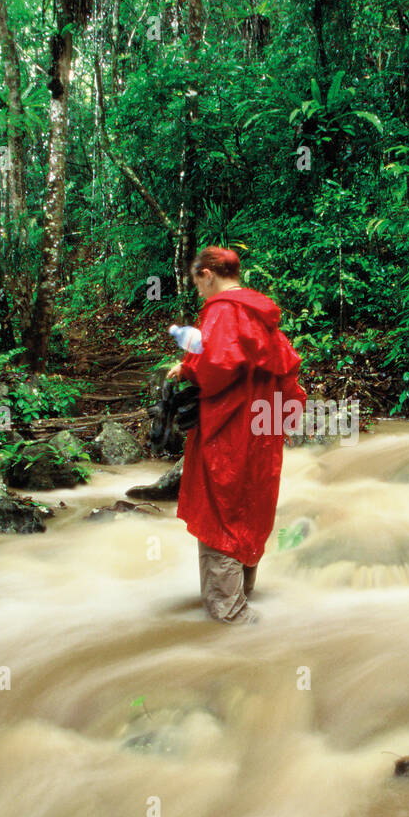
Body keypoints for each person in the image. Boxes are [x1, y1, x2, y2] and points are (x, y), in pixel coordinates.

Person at [167, 246, 306, 624]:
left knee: (220, 508)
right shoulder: (261, 314)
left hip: (229, 430)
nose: (197, 290)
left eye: (197, 280)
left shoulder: (223, 311)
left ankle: (229, 617)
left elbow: (217, 364)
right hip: (263, 430)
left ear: (208, 274)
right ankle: (244, 608)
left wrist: (187, 369)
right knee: (250, 503)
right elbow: (284, 374)